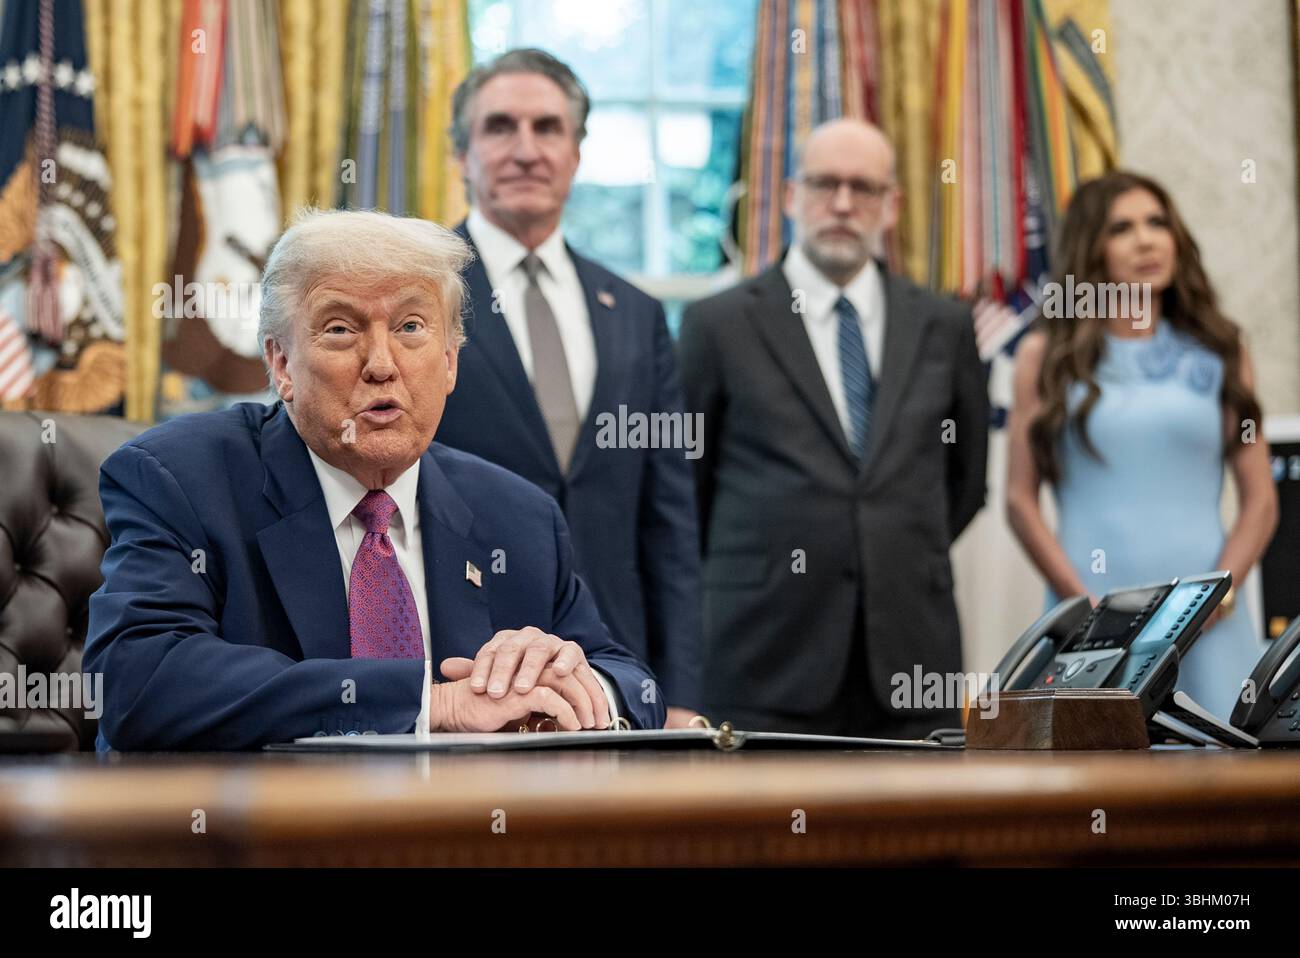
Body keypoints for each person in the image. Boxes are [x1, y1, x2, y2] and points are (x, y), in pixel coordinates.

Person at [84, 209, 664, 750]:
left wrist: (572, 687)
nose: (382, 364)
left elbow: (633, 684)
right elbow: (135, 678)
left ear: (450, 361)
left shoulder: (517, 516)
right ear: (282, 364)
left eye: (412, 326)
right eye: (340, 329)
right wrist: (429, 705)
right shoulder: (181, 479)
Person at [678, 119, 989, 737]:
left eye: (864, 188)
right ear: (791, 196)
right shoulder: (719, 324)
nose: (843, 204)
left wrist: (882, 548)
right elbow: (688, 487)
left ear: (892, 206)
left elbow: (966, 478)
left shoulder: (943, 324)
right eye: (825, 184)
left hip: (912, 664)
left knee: (914, 836)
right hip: (763, 659)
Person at [435, 48, 702, 727]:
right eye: (500, 127)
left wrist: (679, 695)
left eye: (548, 128)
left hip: (614, 678)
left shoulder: (636, 313)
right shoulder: (417, 301)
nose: (526, 150)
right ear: (463, 154)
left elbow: (668, 525)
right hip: (464, 673)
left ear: (576, 154)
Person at [1006, 170, 1279, 721]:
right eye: (1122, 228)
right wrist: (1078, 602)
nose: (1146, 240)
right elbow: (1018, 499)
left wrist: (1218, 601)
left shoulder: (1222, 350)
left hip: (1211, 624)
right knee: (1091, 783)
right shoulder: (1045, 357)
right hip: (1090, 620)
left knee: (1227, 792)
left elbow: (1261, 500)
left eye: (1157, 223)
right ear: (1092, 249)